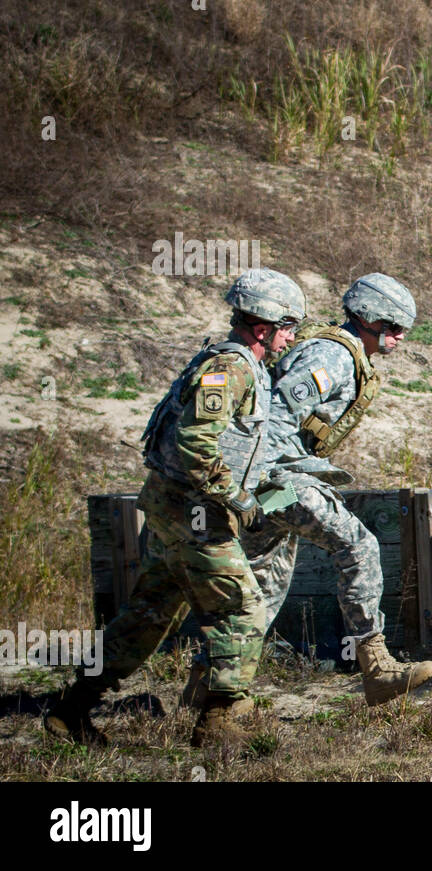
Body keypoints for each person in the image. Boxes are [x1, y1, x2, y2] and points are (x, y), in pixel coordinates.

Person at [45, 269, 306, 746]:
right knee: (243, 608)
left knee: (149, 613)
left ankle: (71, 710)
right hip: (195, 514)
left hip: (177, 510)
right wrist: (237, 498)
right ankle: (217, 723)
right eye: (288, 326)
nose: (292, 337)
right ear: (262, 326)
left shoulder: (237, 365)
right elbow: (195, 443)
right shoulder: (230, 369)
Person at [209, 273, 432, 707]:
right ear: (368, 318)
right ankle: (377, 667)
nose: (399, 336)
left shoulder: (342, 353)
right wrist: (258, 485)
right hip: (274, 477)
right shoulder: (332, 356)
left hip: (265, 479)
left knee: (262, 592)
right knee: (358, 545)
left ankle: (212, 690)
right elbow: (274, 415)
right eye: (392, 327)